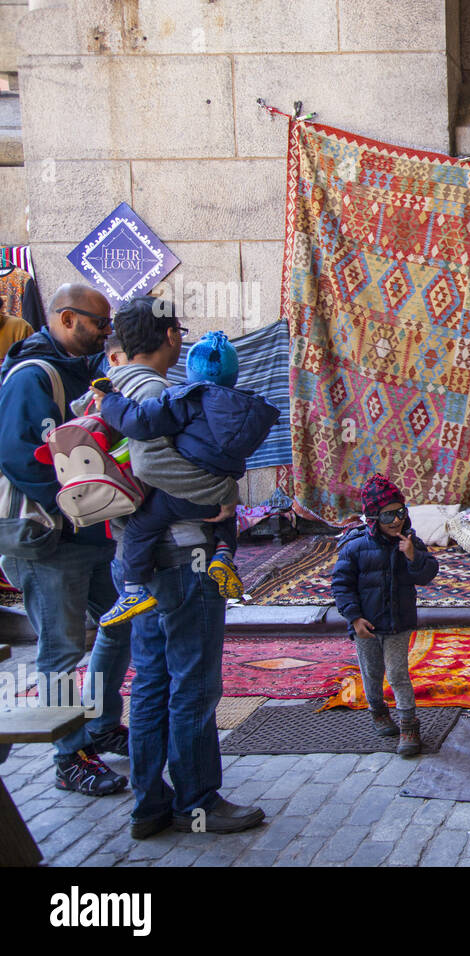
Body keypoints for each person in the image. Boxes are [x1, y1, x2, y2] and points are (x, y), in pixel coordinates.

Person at [105, 298, 262, 838]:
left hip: (139, 556)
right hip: (178, 556)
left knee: (151, 680)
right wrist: (215, 495)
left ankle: (150, 803)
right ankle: (197, 801)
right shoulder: (153, 392)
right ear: (171, 335)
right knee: (192, 683)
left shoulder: (112, 384)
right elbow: (150, 463)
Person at [0, 284, 132, 796]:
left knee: (122, 620)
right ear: (67, 318)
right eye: (98, 323)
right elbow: (15, 454)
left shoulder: (87, 371)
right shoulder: (32, 376)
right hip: (50, 536)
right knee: (61, 646)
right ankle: (69, 755)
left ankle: (99, 723)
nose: (105, 332)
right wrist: (73, 500)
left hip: (91, 532)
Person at [92, 329, 278, 625]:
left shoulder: (183, 399)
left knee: (140, 527)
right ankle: (224, 555)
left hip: (180, 494)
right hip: (219, 498)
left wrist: (112, 401)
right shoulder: (246, 407)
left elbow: (139, 422)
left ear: (191, 371)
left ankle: (134, 589)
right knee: (228, 517)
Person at [331, 475, 439, 757]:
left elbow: (427, 574)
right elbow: (341, 585)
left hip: (398, 624)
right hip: (366, 625)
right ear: (373, 518)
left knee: (398, 673)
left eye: (400, 513)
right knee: (372, 672)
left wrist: (413, 556)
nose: (396, 521)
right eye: (388, 515)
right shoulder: (354, 547)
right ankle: (378, 711)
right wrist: (354, 618)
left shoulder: (411, 543)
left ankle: (408, 725)